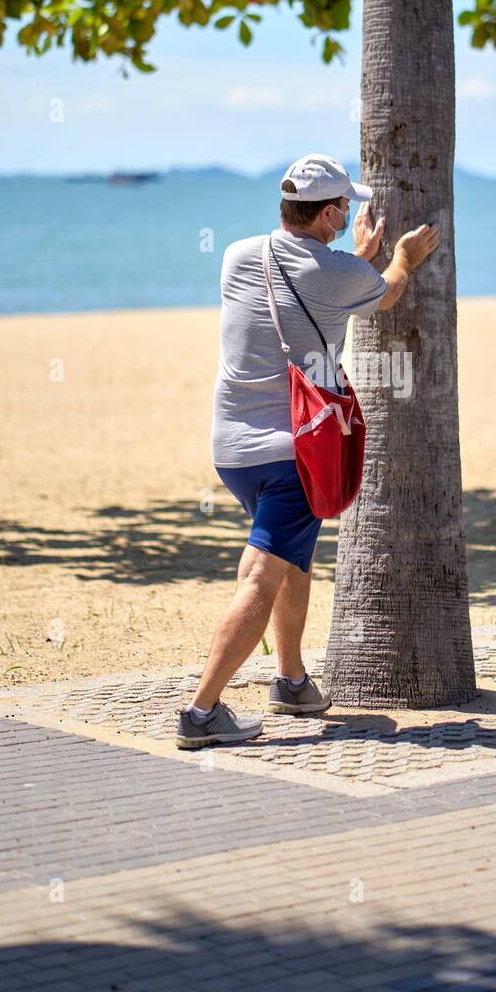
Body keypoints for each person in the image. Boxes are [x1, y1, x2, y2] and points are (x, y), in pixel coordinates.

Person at [176, 153, 440, 747]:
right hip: (290, 449)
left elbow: (314, 288)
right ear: (326, 214)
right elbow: (384, 296)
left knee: (294, 556)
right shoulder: (337, 272)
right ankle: (201, 712)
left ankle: (291, 680)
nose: (348, 213)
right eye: (342, 207)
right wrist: (399, 257)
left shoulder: (239, 256)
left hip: (231, 447)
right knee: (261, 576)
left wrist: (357, 258)